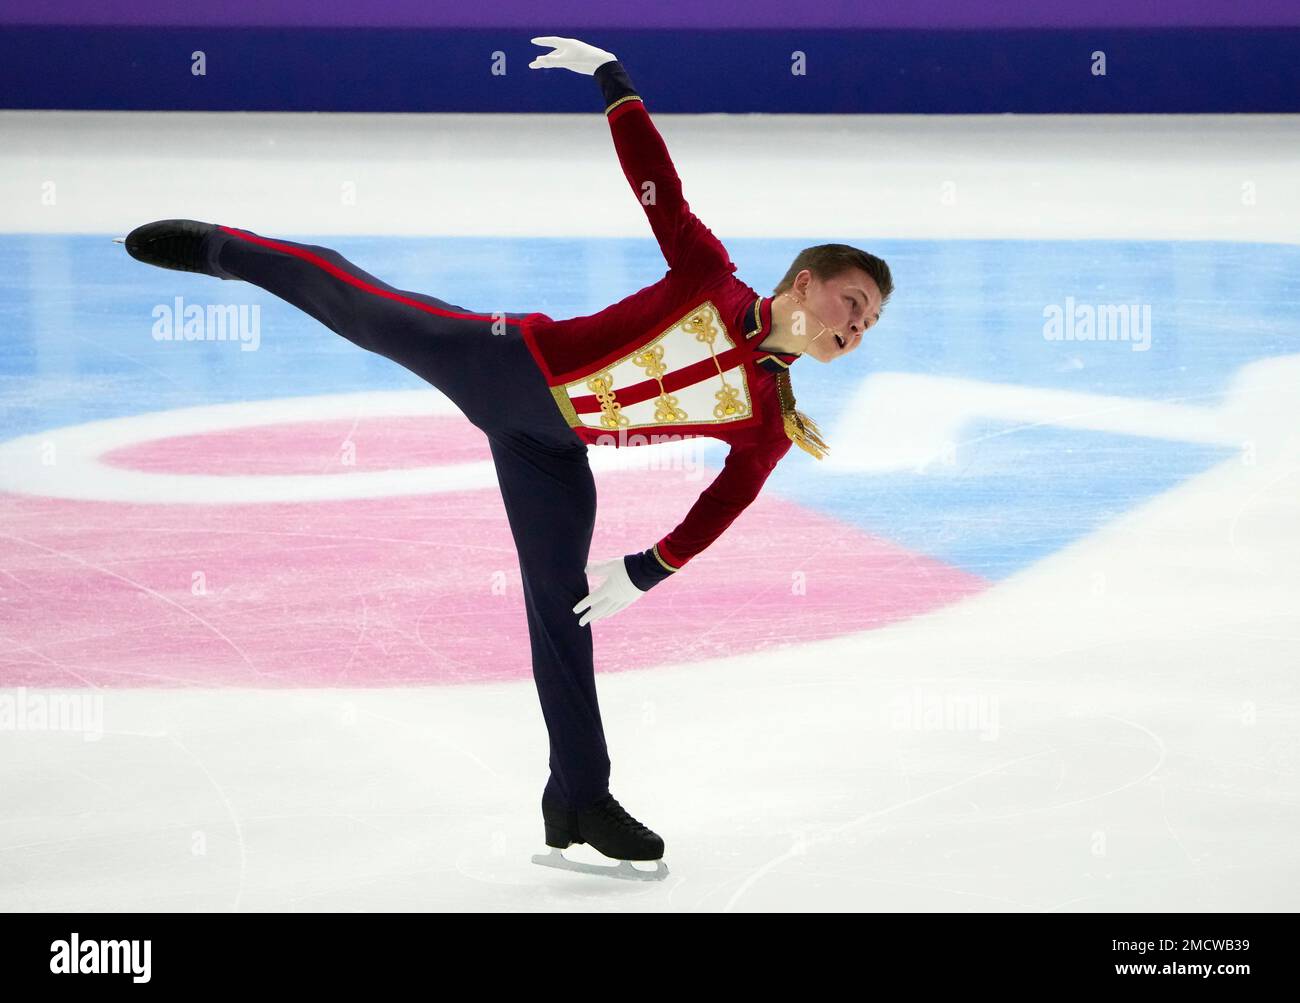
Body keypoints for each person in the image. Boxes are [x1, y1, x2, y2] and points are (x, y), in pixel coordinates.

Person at [120, 35, 893, 881]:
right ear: (805, 282)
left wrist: (648, 568)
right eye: (852, 302)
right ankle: (225, 249)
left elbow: (728, 499)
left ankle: (579, 797)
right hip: (505, 363)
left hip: (550, 453)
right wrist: (614, 82)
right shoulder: (709, 274)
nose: (855, 327)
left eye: (867, 324)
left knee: (564, 616)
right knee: (364, 306)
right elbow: (657, 185)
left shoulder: (772, 420)